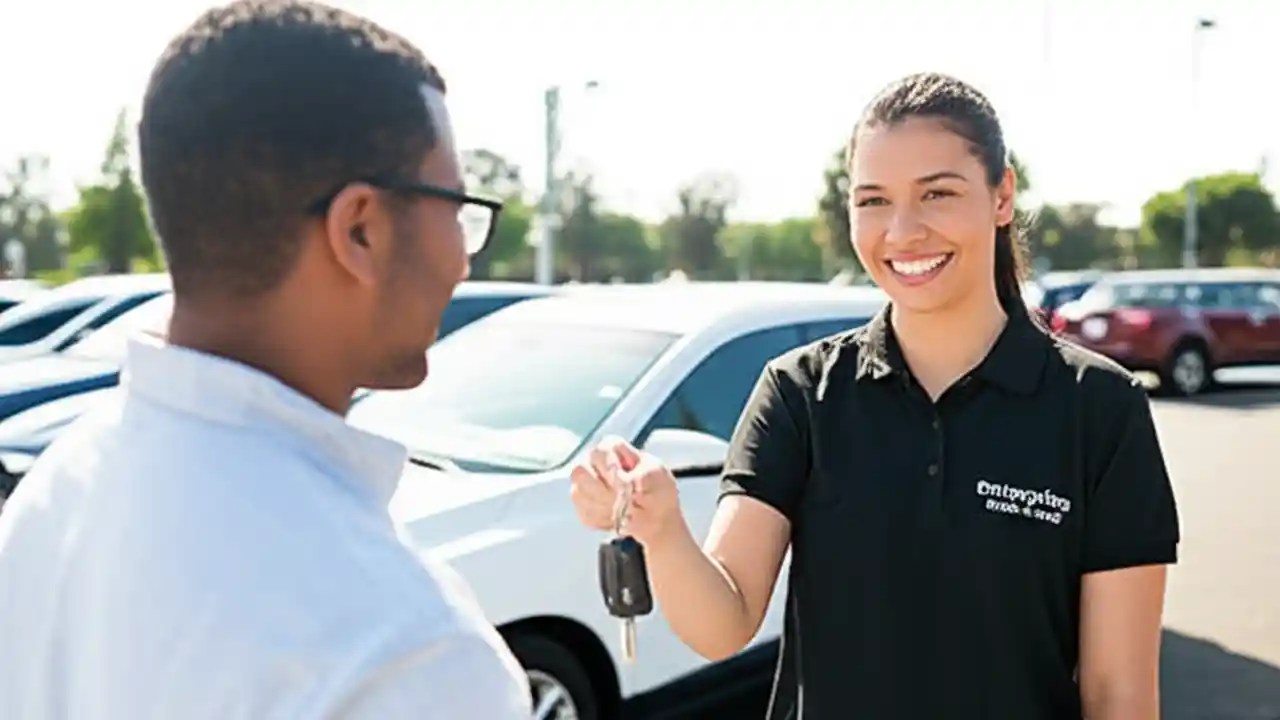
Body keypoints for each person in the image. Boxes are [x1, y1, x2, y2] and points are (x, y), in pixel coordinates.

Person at [571, 72, 1179, 719]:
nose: (902, 230)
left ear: (1002, 196)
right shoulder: (800, 393)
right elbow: (724, 621)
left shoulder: (1098, 408)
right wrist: (661, 531)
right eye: (873, 201)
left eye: (937, 193)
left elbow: (1119, 694)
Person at [0, 2, 530, 718]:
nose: (464, 260)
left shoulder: (53, 494)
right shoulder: (408, 652)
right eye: (457, 208)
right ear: (361, 229)